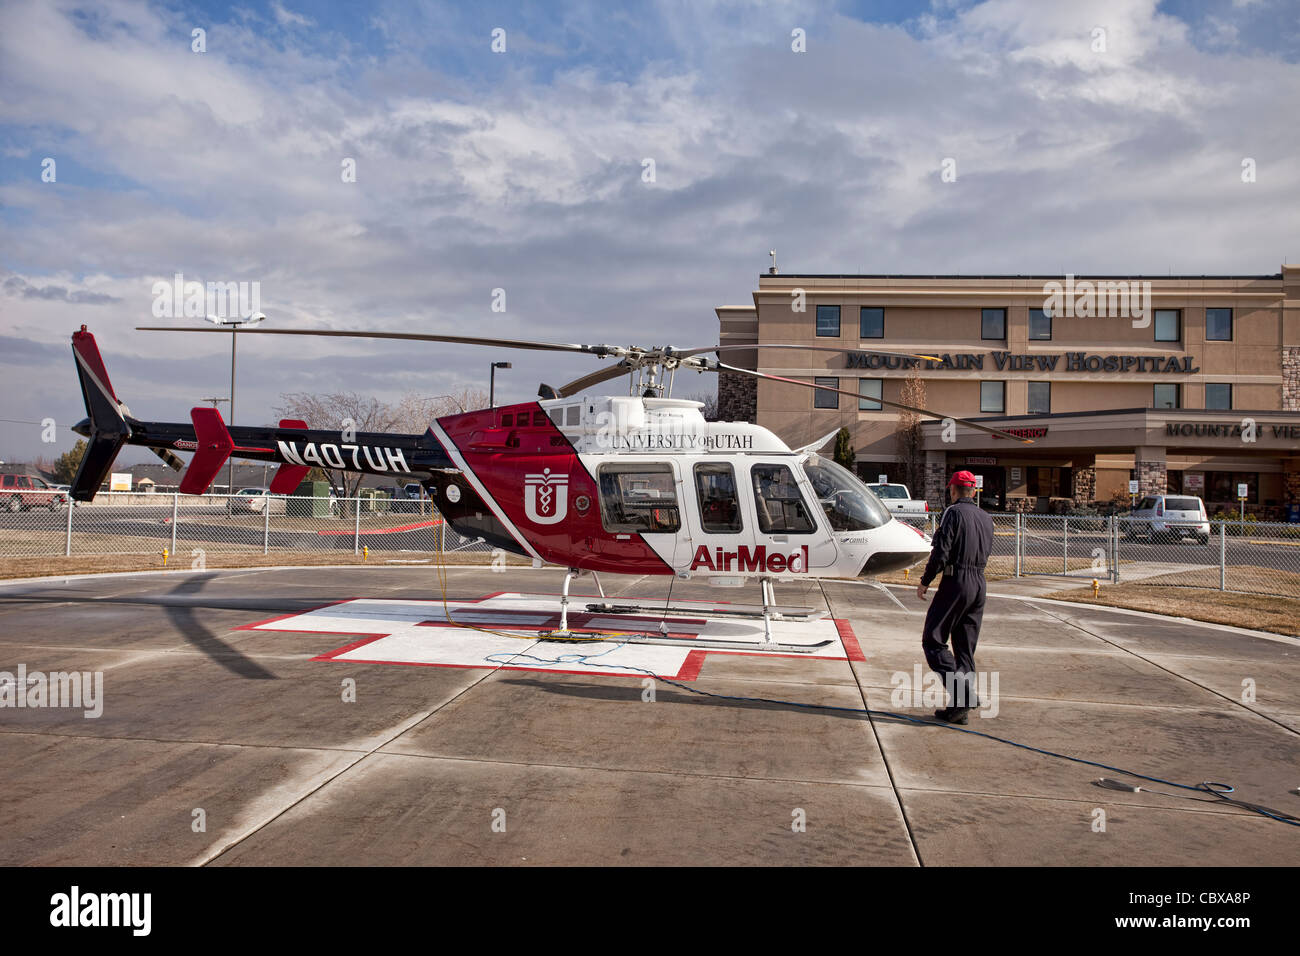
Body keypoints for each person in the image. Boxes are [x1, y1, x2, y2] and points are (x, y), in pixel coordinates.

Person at [915, 470, 994, 724]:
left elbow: (941, 551)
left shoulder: (953, 513)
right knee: (964, 650)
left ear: (953, 490)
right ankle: (959, 708)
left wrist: (926, 580)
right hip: (979, 584)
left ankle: (963, 695)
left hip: (956, 581)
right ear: (974, 491)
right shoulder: (986, 517)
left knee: (933, 641)